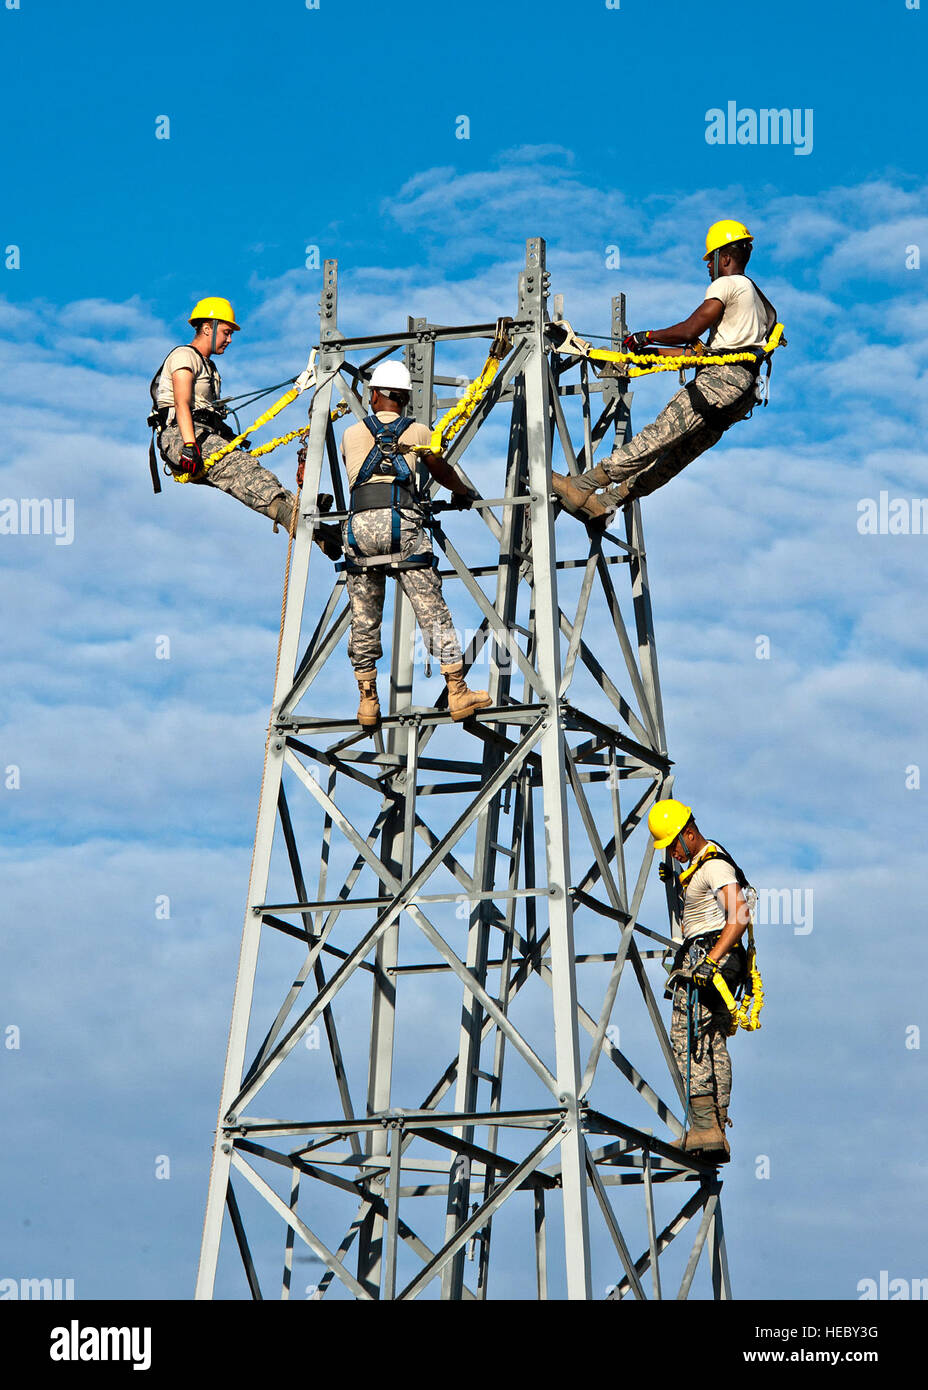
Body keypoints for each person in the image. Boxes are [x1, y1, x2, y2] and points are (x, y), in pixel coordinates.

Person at [552, 220, 778, 518]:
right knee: (673, 458)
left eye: (710, 260)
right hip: (740, 396)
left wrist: (647, 336)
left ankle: (584, 485)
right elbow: (701, 352)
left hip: (718, 384)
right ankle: (607, 502)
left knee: (657, 437)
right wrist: (651, 352)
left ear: (724, 257)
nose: (708, 267)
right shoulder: (758, 304)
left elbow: (689, 330)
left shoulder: (728, 284)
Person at [341, 360, 492, 729]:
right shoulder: (420, 430)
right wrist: (463, 492)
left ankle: (367, 701)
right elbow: (438, 468)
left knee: (364, 615)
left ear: (374, 395)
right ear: (405, 400)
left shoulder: (350, 433)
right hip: (401, 523)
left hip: (359, 528)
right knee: (430, 605)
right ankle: (457, 690)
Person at [149, 297, 340, 555]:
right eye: (226, 332)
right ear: (208, 327)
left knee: (248, 476)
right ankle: (297, 516)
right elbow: (182, 403)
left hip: (202, 436)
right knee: (245, 470)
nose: (229, 339)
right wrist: (191, 447)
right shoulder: (184, 356)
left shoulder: (210, 368)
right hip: (183, 437)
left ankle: (310, 525)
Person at [648, 797, 753, 1162]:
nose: (672, 853)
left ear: (688, 833)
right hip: (724, 963)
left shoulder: (713, 867)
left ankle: (703, 1126)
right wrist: (679, 880)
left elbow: (737, 916)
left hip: (710, 957)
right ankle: (715, 1131)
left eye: (674, 845)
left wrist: (709, 961)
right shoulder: (701, 865)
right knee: (712, 1042)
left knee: (686, 1036)